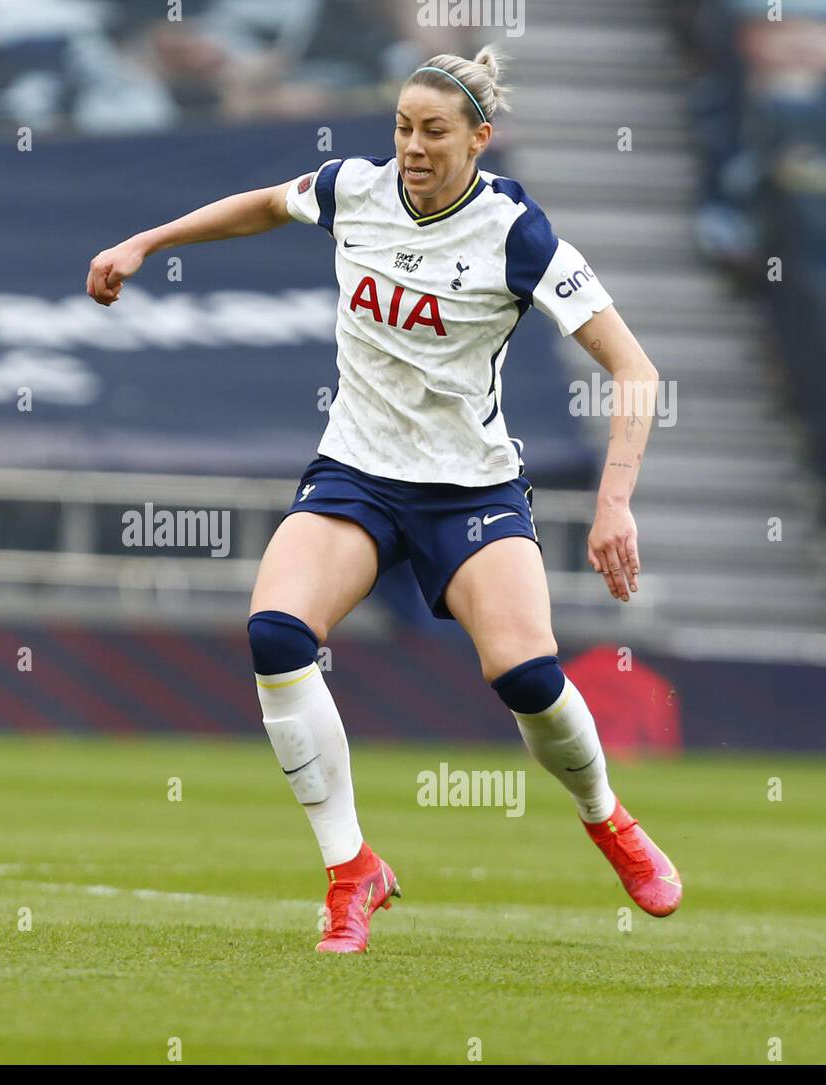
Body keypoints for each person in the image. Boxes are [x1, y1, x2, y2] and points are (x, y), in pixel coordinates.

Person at [85, 46, 682, 954]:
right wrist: (145, 242)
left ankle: (606, 818)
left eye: (435, 132)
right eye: (403, 127)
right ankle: (349, 871)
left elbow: (633, 369)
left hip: (470, 488)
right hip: (357, 472)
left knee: (525, 676)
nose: (412, 147)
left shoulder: (515, 234)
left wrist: (616, 502)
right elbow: (260, 206)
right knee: (277, 635)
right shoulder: (352, 190)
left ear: (480, 139)